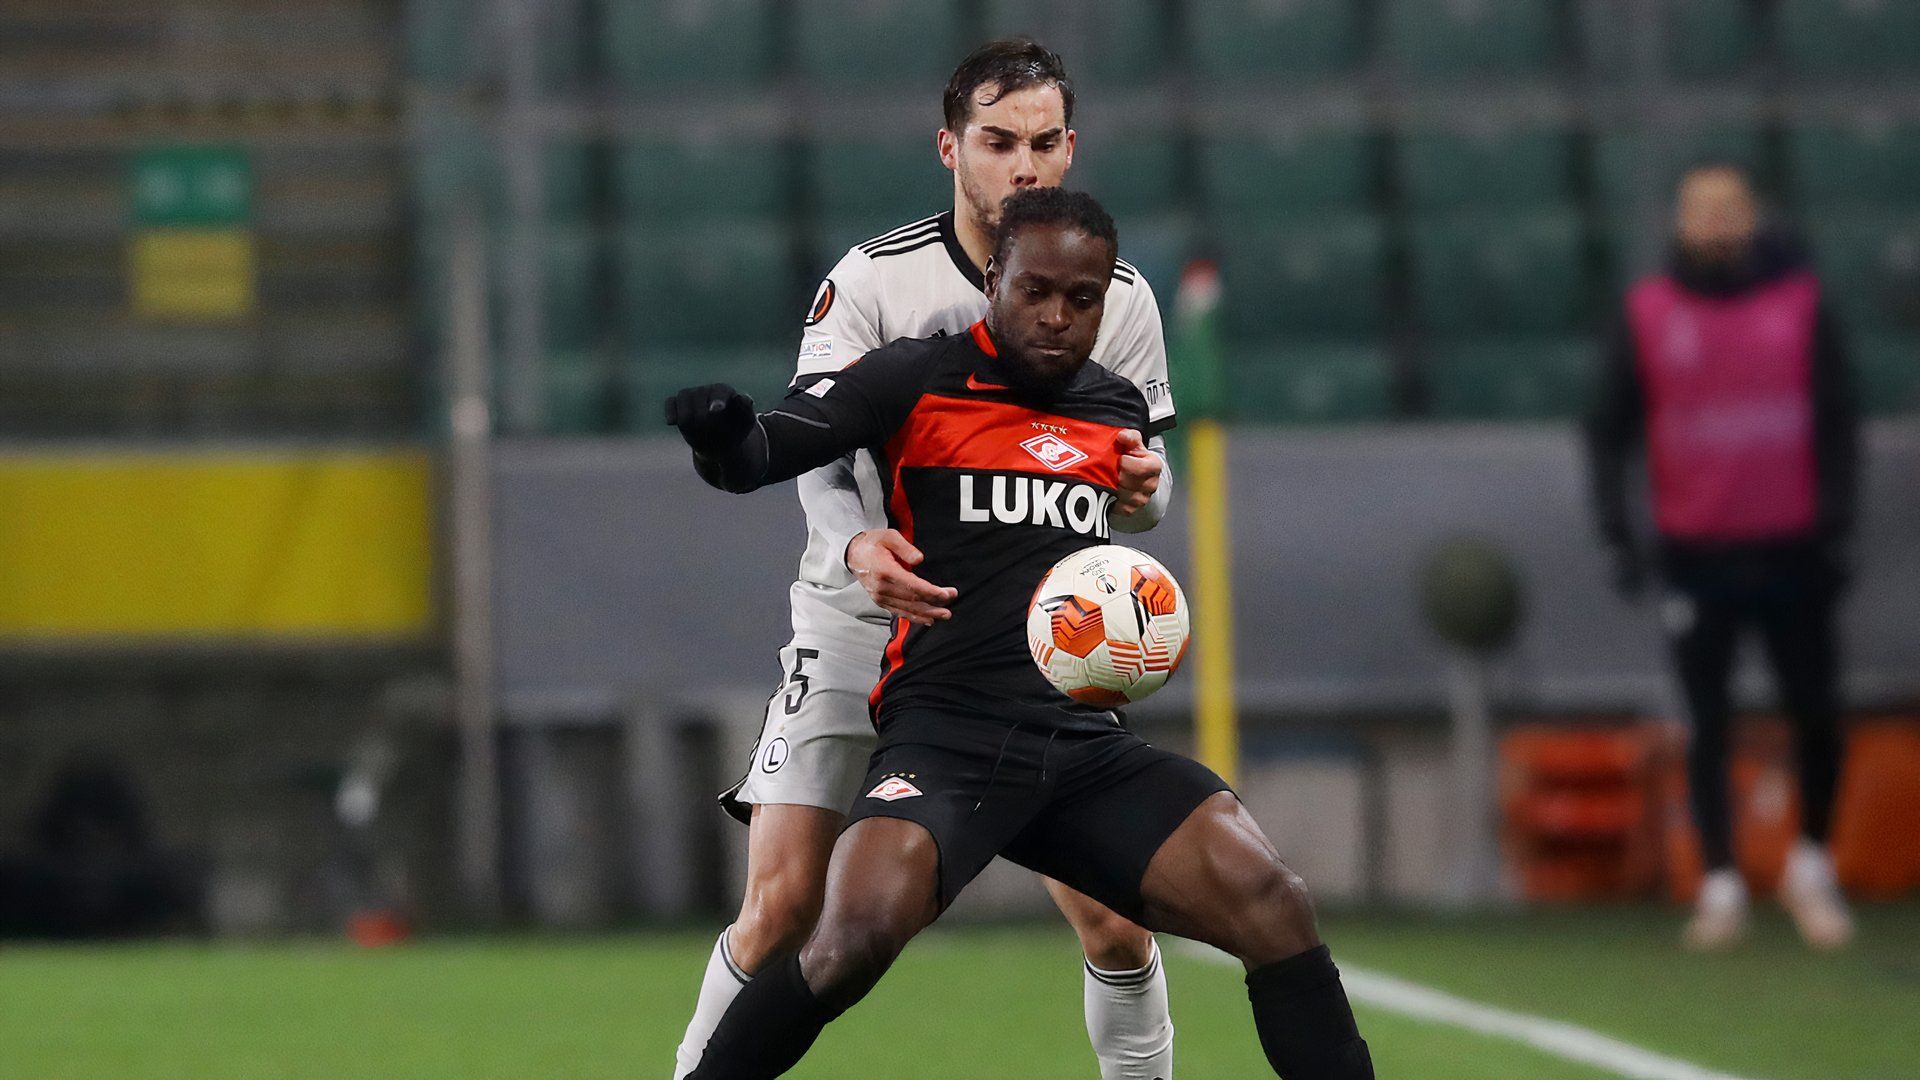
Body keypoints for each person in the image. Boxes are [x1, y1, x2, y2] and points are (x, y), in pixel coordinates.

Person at [668, 188, 1372, 1079]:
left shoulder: (1114, 407)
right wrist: (723, 436)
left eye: (1082, 299)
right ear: (993, 278)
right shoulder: (912, 377)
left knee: (1272, 899)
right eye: (1036, 290)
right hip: (946, 738)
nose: (1056, 316)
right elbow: (767, 454)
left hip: (1081, 744)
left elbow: (1141, 508)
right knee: (848, 940)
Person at [671, 39, 1178, 1080]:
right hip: (860, 620)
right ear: (950, 148)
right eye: (998, 142)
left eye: (1044, 142)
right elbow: (809, 444)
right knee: (782, 907)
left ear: (1071, 147)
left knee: (1117, 922)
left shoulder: (1115, 293)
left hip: (1025, 641)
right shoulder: (872, 280)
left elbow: (1139, 484)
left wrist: (1146, 496)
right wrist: (855, 542)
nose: (1024, 166)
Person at [1586, 162, 1861, 950]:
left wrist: (1838, 523)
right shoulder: (1649, 313)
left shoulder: (1799, 304)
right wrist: (1619, 533)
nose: (1715, 221)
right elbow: (1607, 429)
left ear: (1754, 216)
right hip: (1696, 554)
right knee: (1707, 720)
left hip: (1792, 550)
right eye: (1700, 208)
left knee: (1817, 714)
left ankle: (1812, 864)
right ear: (1679, 221)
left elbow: (1839, 418)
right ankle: (1719, 880)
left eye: (1729, 207)